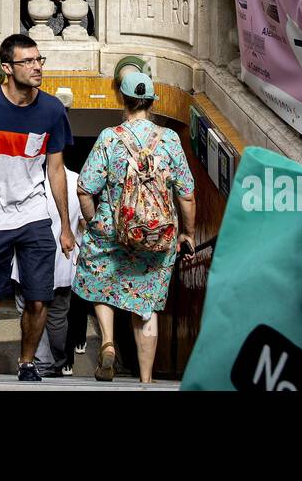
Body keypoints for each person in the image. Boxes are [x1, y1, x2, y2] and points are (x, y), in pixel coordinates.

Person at [0, 35, 75, 383]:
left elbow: (55, 168)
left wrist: (64, 225)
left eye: (40, 60)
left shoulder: (52, 110)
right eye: (28, 61)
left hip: (34, 214)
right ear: (7, 68)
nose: (37, 67)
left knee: (39, 299)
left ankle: (27, 362)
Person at [74, 71, 196, 384]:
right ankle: (145, 381)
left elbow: (85, 188)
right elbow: (187, 194)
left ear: (123, 101)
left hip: (113, 231)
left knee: (101, 281)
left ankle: (108, 342)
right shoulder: (169, 139)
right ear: (153, 102)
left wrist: (94, 224)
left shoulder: (109, 137)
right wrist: (188, 233)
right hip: (156, 237)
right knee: (147, 306)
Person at [11, 160, 83, 377]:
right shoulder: (77, 179)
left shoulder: (26, 179)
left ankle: (42, 363)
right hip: (65, 259)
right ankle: (58, 361)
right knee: (58, 317)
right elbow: (84, 220)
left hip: (30, 259)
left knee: (29, 308)